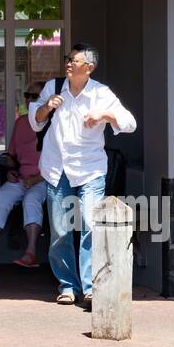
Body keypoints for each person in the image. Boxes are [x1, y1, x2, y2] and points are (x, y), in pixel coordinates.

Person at [29, 43, 136, 305]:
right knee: (60, 230)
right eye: (67, 59)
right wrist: (47, 107)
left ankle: (90, 287)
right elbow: (35, 120)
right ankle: (67, 285)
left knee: (90, 225)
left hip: (90, 169)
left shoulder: (101, 93)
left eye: (74, 61)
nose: (68, 64)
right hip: (57, 169)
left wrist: (105, 114)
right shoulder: (53, 88)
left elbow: (129, 123)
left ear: (88, 68)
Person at [0, 82, 48, 267]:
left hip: (45, 180)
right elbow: (11, 155)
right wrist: (10, 171)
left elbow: (60, 165)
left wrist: (36, 179)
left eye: (34, 96)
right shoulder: (21, 122)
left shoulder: (53, 123)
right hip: (21, 178)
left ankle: (31, 252)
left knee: (31, 200)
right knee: (1, 196)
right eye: (27, 95)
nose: (29, 100)